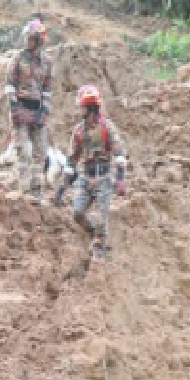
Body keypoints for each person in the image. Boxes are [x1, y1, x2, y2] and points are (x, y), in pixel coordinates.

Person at [63, 85, 128, 259]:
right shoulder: (78, 131)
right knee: (77, 213)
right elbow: (72, 157)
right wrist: (65, 182)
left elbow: (119, 153)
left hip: (103, 177)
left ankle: (99, 247)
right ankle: (93, 232)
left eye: (82, 106)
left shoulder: (107, 127)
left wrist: (120, 178)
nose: (80, 110)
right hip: (85, 177)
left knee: (101, 216)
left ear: (90, 107)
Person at [5, 18, 54, 200]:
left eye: (31, 38)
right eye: (27, 37)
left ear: (39, 40)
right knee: (23, 151)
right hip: (21, 106)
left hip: (38, 109)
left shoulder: (47, 62)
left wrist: (45, 109)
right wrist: (13, 106)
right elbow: (9, 83)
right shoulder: (17, 58)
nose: (28, 41)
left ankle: (37, 189)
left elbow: (48, 87)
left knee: (40, 151)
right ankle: (25, 191)